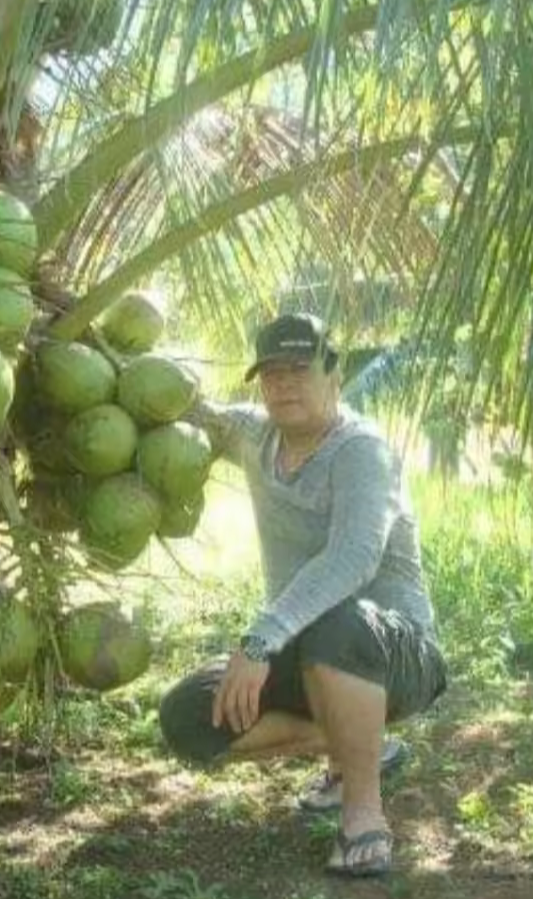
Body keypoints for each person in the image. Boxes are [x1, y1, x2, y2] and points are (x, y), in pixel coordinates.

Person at [158, 312, 447, 878]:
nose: (284, 384)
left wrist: (261, 639)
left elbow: (354, 557)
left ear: (334, 376)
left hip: (395, 653)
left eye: (299, 369)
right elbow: (184, 405)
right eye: (271, 374)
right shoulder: (254, 434)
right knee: (188, 716)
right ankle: (360, 739)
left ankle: (362, 810)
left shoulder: (363, 451)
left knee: (332, 622)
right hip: (309, 650)